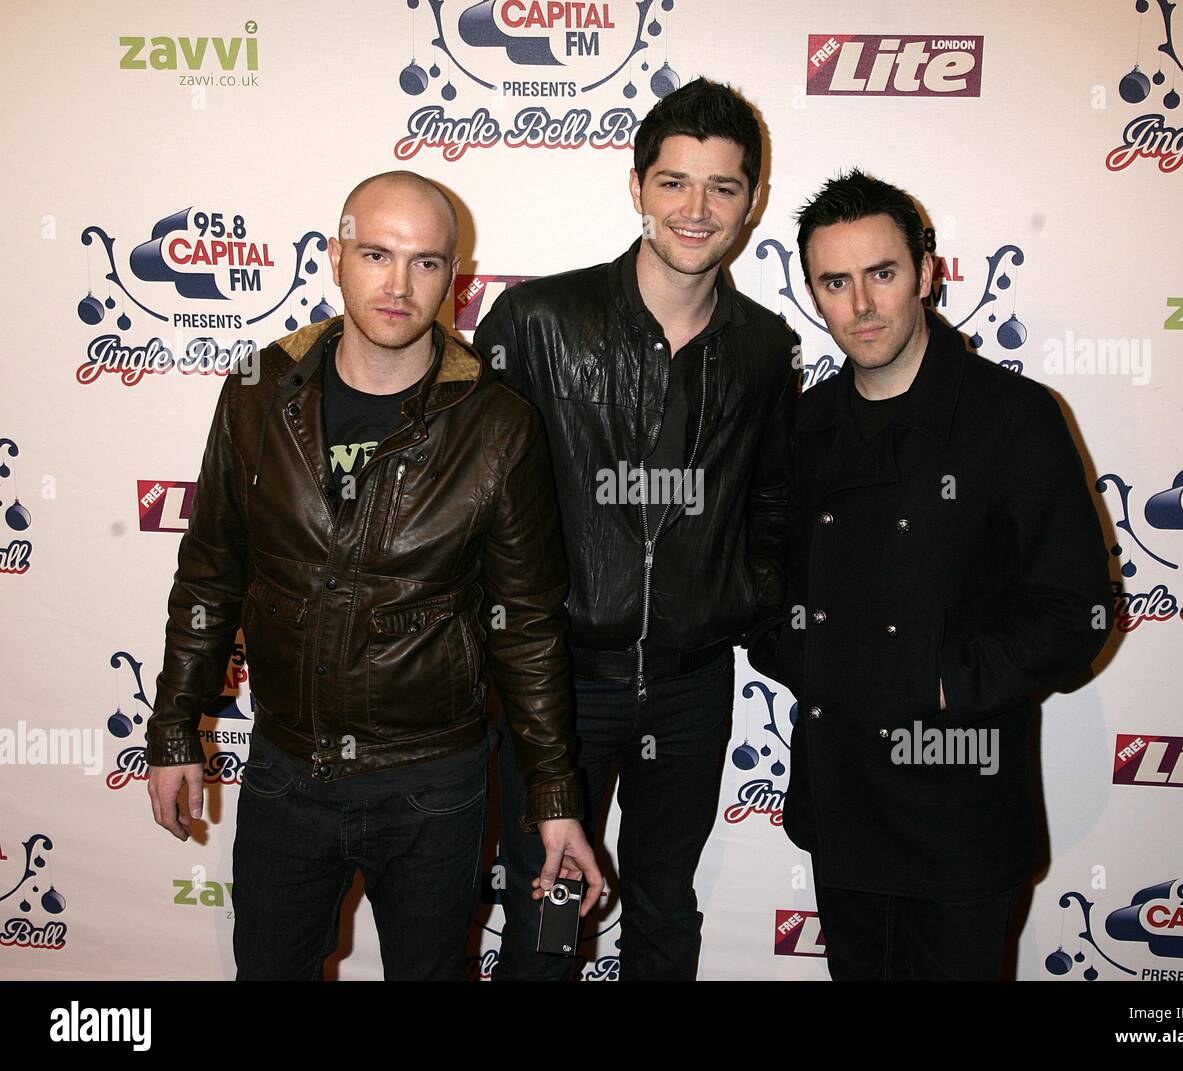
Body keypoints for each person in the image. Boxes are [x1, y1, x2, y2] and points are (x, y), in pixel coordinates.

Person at [145, 170, 600, 980]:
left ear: (454, 282)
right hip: (288, 770)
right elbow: (211, 571)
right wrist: (177, 723)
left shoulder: (498, 425)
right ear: (335, 257)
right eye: (376, 254)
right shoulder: (256, 393)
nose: (398, 285)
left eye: (426, 263)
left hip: (433, 783)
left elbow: (528, 627)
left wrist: (556, 797)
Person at [749, 170, 1114, 980]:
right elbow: (757, 582)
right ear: (812, 293)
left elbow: (1077, 608)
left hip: (961, 806)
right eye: (834, 283)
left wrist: (943, 683)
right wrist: (805, 659)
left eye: (882, 273)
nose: (862, 304)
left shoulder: (1012, 417)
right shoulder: (802, 427)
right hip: (842, 798)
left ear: (927, 272)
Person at [474, 78, 798, 980]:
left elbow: (772, 503)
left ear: (752, 202)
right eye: (674, 183)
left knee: (665, 906)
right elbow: (477, 498)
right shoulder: (539, 321)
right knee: (542, 904)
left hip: (695, 686)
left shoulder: (767, 350)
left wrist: (745, 597)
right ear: (637, 187)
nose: (697, 210)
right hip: (560, 683)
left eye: (723, 188)